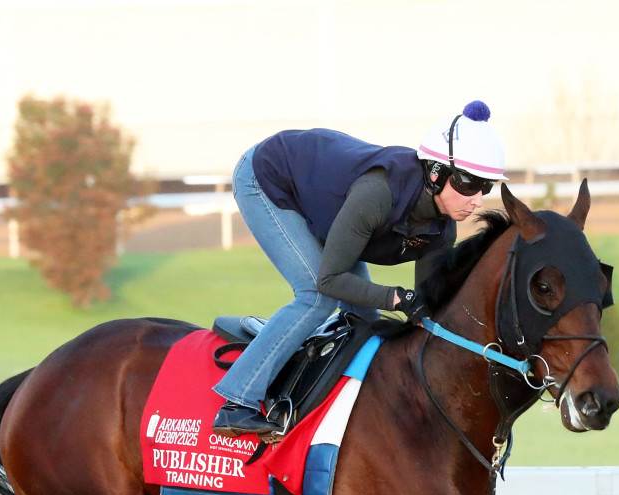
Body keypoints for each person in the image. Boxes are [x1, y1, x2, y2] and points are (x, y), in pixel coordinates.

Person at [212, 100, 507, 440]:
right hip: (271, 179)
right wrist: (395, 298)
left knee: (366, 322)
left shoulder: (441, 231)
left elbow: (428, 309)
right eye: (469, 185)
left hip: (327, 203)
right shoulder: (378, 194)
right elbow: (331, 280)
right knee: (315, 296)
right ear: (436, 173)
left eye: (485, 187)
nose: (478, 200)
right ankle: (237, 401)